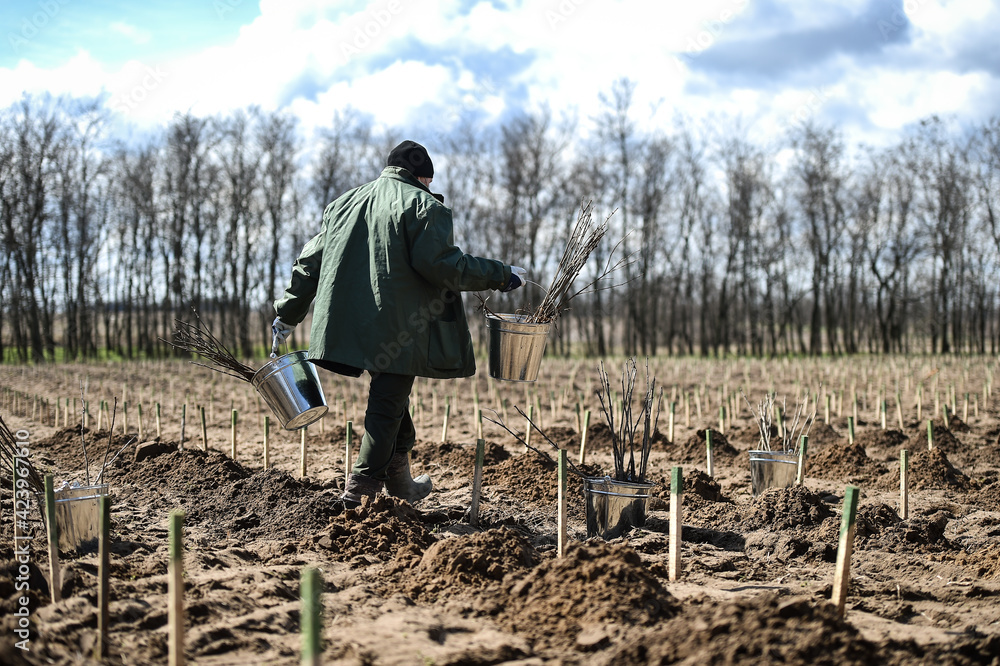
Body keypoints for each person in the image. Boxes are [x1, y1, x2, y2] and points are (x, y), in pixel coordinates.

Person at [272, 140, 527, 507]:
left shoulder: (344, 204)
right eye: (429, 181)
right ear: (422, 177)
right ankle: (360, 490)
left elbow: (309, 263)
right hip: (398, 327)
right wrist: (501, 274)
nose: (429, 187)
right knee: (387, 402)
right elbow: (443, 265)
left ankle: (400, 479)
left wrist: (287, 314)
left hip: (348, 326)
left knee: (391, 397)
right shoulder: (423, 205)